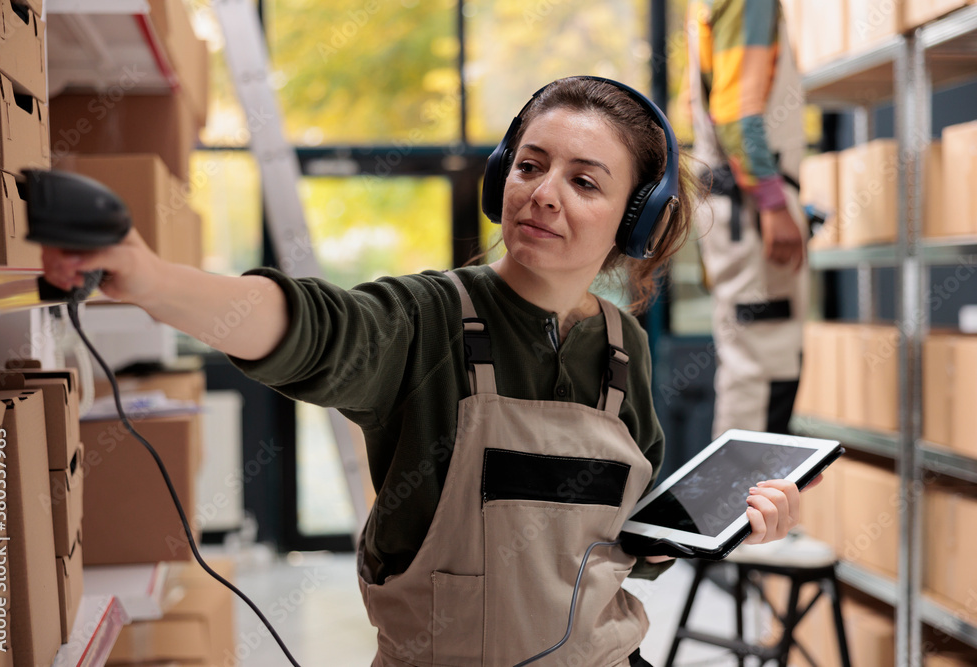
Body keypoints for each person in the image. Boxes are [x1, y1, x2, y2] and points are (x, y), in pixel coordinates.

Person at [44, 76, 810, 667]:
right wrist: (151, 279)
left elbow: (618, 540)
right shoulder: (429, 319)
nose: (543, 193)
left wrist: (715, 528)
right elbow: (311, 327)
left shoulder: (623, 349)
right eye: (530, 166)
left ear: (633, 220)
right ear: (501, 178)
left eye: (584, 181)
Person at [685, 0, 811, 437]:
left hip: (739, 203)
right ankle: (744, 485)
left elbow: (698, 102)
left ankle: (741, 481)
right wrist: (773, 203)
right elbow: (738, 112)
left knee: (753, 366)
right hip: (752, 206)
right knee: (763, 369)